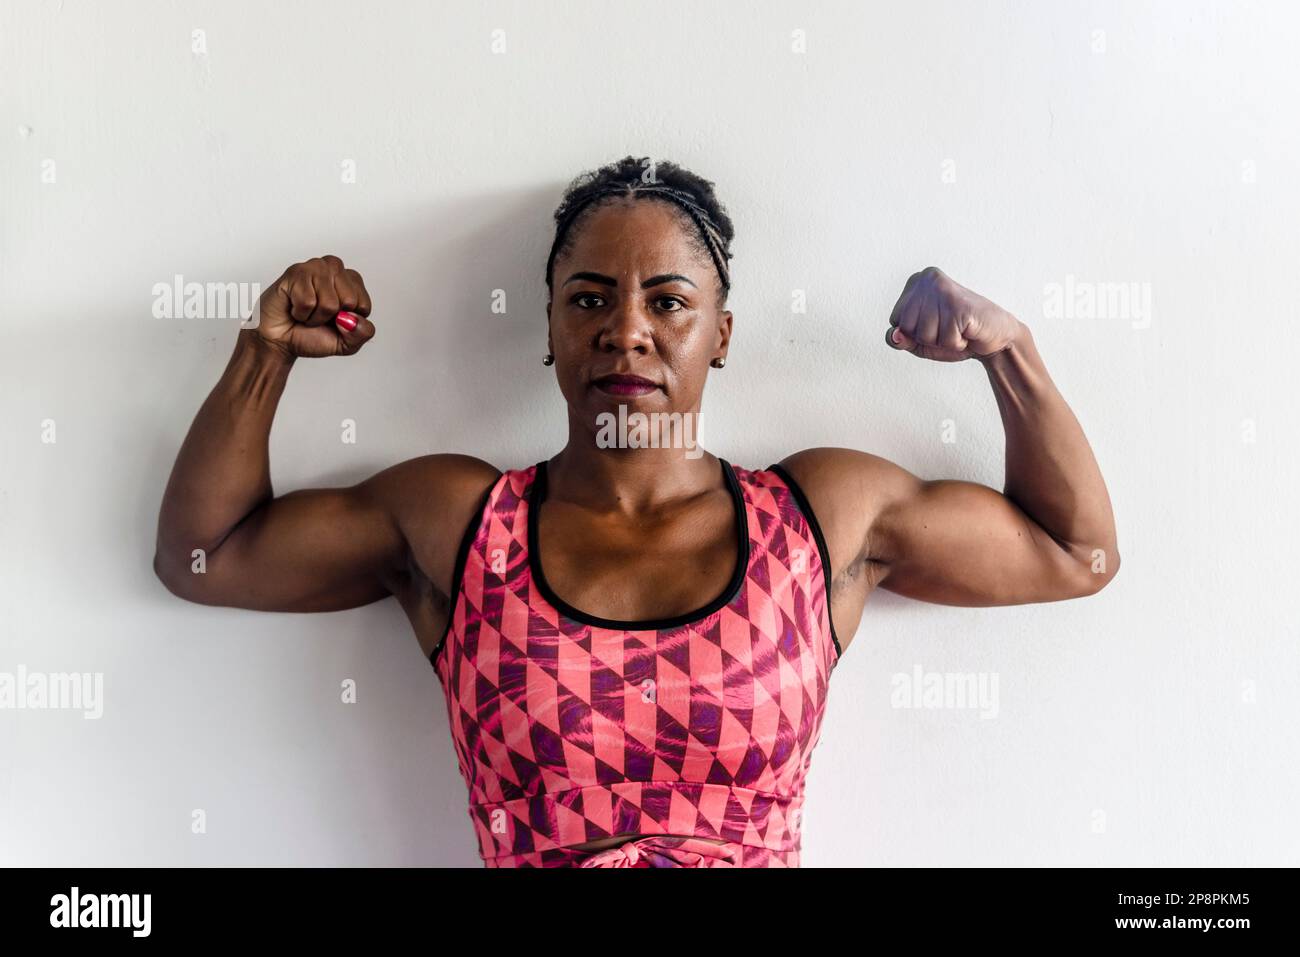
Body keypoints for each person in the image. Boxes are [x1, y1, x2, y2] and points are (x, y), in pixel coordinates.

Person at [154, 155, 1119, 867]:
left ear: (722, 333)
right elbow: (207, 554)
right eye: (588, 300)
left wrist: (1009, 351)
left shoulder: (823, 519)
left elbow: (1077, 555)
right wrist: (265, 350)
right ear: (549, 329)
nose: (626, 330)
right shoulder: (457, 522)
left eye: (668, 302)